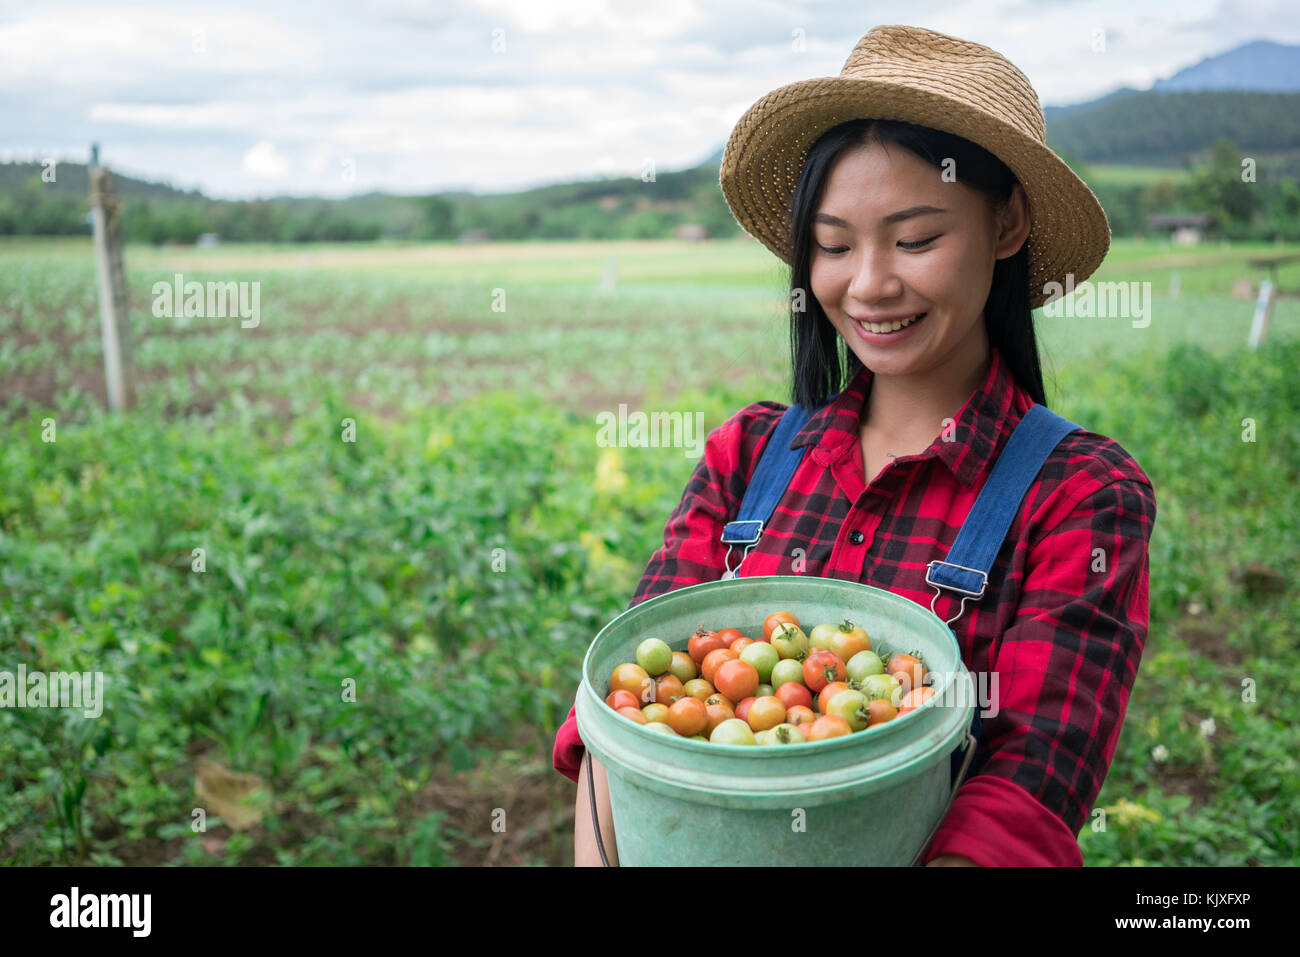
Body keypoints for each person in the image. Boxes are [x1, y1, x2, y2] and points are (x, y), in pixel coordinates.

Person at [553, 24, 1156, 866]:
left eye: (915, 240)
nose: (868, 283)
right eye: (834, 246)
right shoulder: (747, 457)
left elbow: (1029, 785)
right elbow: (618, 726)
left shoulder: (1079, 494)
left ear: (1008, 222)